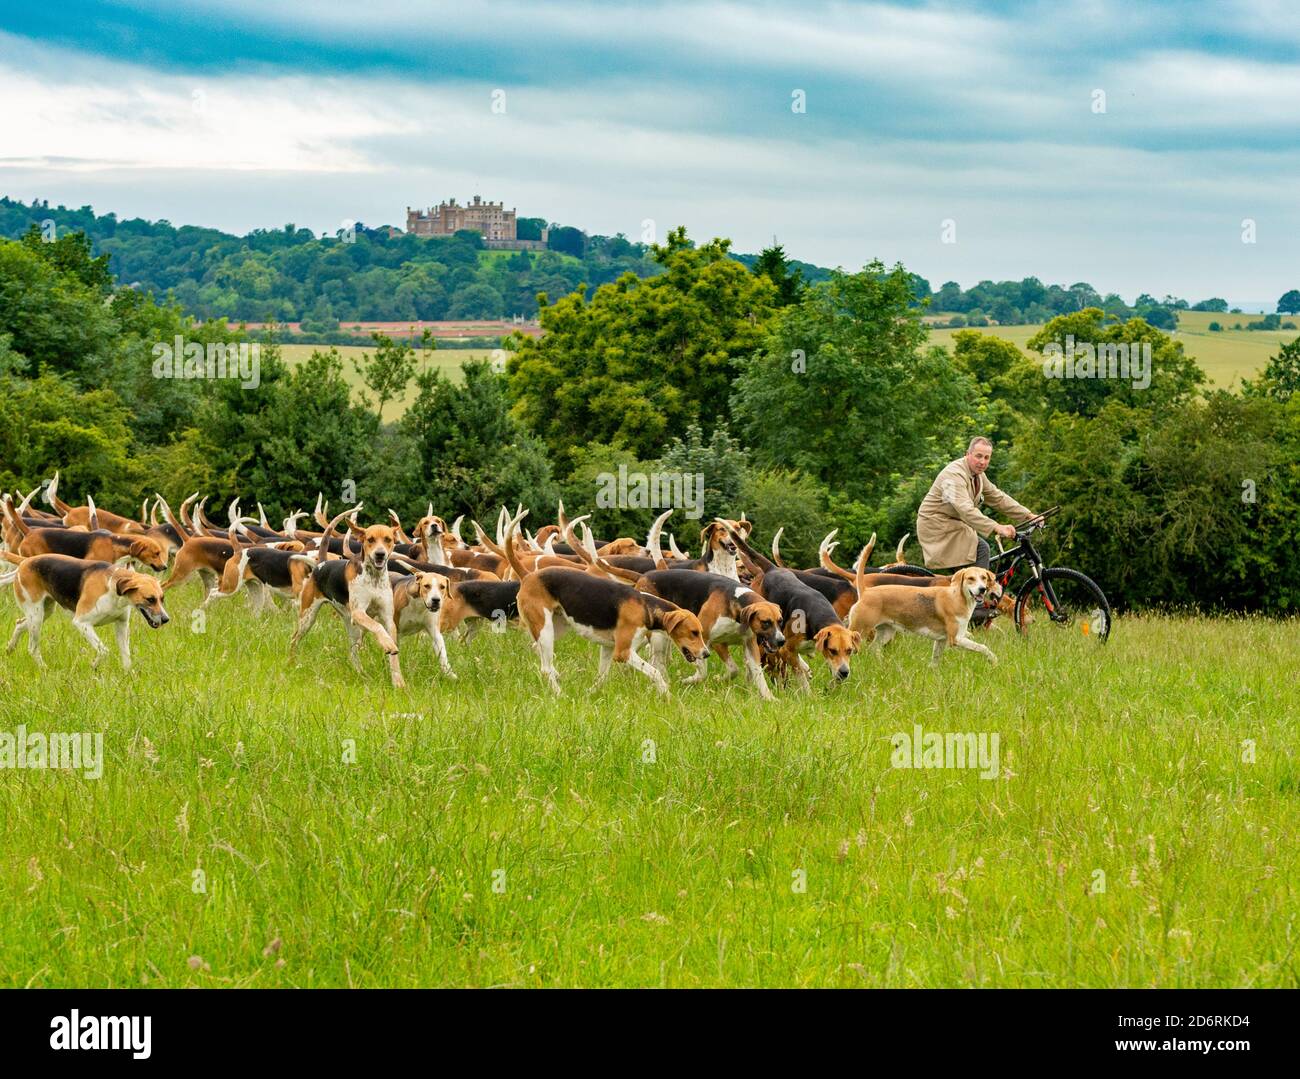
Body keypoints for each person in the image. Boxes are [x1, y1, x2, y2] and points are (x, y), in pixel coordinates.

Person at [916, 437, 1040, 572]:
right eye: (978, 456)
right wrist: (996, 527)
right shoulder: (954, 475)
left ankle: (968, 590)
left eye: (987, 458)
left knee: (972, 556)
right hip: (936, 525)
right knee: (981, 549)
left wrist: (1029, 515)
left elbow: (997, 498)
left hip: (953, 525)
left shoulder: (978, 475)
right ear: (967, 454)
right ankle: (980, 592)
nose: (982, 462)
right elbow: (966, 510)